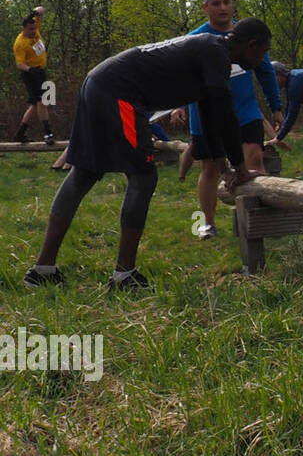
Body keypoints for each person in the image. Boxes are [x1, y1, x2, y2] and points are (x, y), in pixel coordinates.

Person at [23, 19, 271, 290]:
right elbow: (225, 116)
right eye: (262, 52)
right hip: (119, 92)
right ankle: (124, 275)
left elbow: (211, 118)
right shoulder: (216, 55)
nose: (261, 60)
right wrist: (242, 169)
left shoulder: (209, 51)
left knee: (85, 173)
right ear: (251, 45)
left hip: (99, 82)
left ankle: (43, 270)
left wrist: (226, 169)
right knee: (142, 176)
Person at [175, 0, 282, 239]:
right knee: (210, 168)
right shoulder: (197, 38)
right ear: (205, 8)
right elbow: (182, 76)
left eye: (226, 2)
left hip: (245, 110)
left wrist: (276, 107)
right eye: (216, 4)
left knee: (254, 157)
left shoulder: (249, 35)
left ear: (232, 4)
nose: (222, 8)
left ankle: (256, 217)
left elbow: (266, 72)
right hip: (206, 115)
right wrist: (178, 105)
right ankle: (208, 224)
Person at [13, 13, 54, 144]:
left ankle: (20, 133)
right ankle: (48, 133)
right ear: (23, 28)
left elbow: (40, 10)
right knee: (41, 102)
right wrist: (31, 70)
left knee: (39, 104)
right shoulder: (20, 43)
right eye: (30, 29)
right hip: (31, 73)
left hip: (41, 71)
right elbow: (19, 64)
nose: (33, 31)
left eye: (34, 28)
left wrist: (33, 14)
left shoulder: (36, 30)